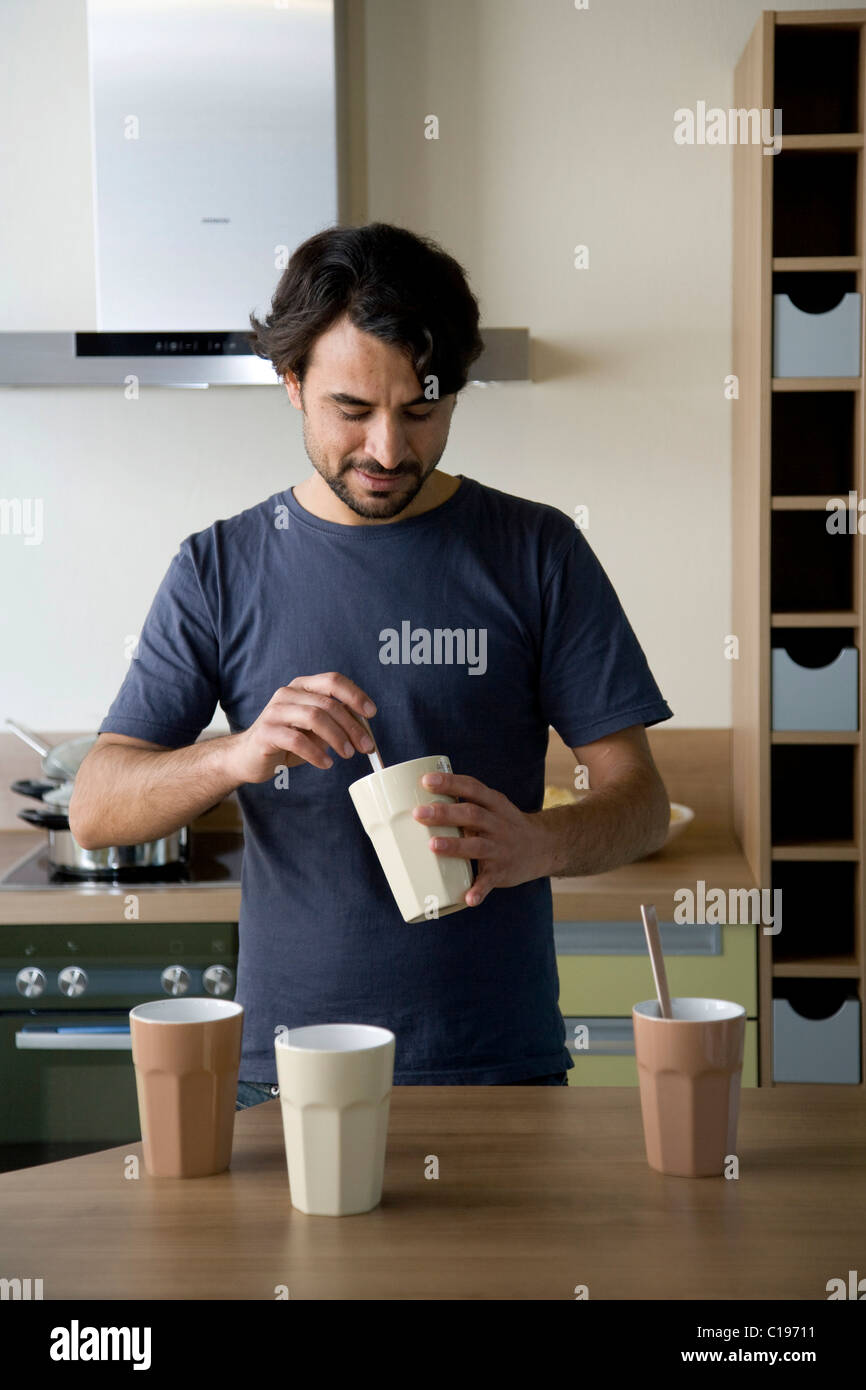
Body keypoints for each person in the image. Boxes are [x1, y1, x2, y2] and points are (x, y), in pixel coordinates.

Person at [70, 222, 673, 1104]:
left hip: (501, 1067)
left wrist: (538, 841)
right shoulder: (220, 568)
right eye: (353, 410)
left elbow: (642, 804)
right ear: (292, 385)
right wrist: (236, 755)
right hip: (288, 1077)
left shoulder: (538, 551)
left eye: (421, 410)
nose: (389, 450)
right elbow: (95, 807)